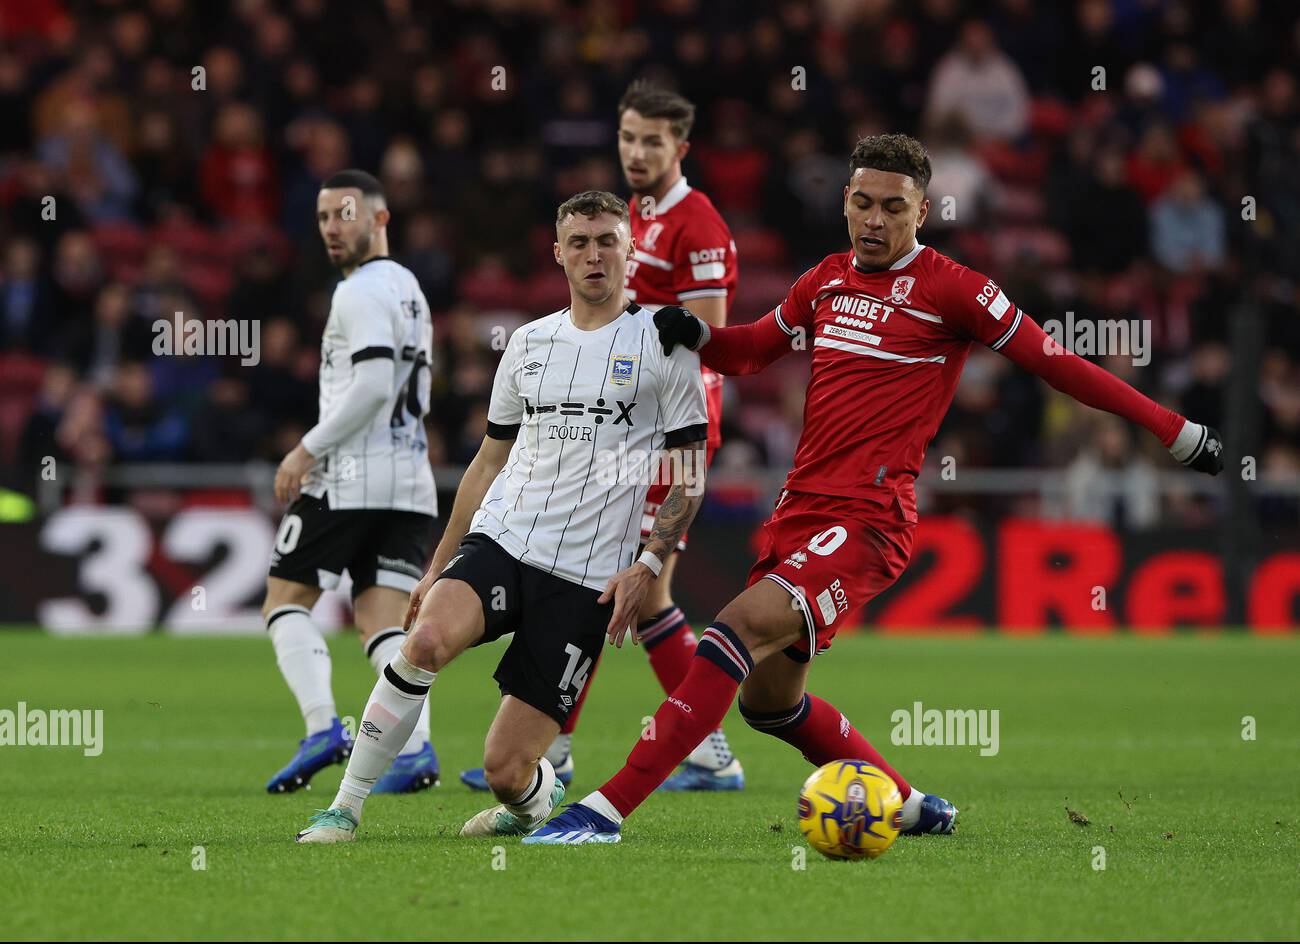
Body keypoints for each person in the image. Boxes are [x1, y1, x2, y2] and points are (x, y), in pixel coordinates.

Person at [524, 133, 1224, 845]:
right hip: (798, 514)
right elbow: (754, 349)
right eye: (862, 202)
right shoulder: (826, 279)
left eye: (894, 207)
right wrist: (695, 334)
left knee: (727, 635)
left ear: (923, 211)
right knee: (770, 705)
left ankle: (601, 813)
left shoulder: (955, 289)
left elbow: (1057, 363)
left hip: (867, 522)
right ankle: (910, 804)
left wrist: (1172, 429)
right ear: (845, 203)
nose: (875, 220)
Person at [296, 190, 710, 843]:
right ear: (558, 254)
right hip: (505, 539)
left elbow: (690, 468)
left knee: (505, 769)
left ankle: (533, 801)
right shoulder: (527, 343)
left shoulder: (666, 343)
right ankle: (344, 807)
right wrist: (436, 567)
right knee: (425, 642)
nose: (593, 254)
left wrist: (651, 562)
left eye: (607, 240)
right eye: (579, 243)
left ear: (630, 250)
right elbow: (489, 462)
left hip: (586, 578)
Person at [459, 81, 744, 794]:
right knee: (610, 584)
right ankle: (580, 749)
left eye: (652, 141)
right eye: (627, 138)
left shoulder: (697, 223)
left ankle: (689, 748)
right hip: (629, 428)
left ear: (680, 147)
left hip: (668, 428)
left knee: (613, 584)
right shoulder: (634, 219)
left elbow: (701, 335)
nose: (636, 152)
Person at [262, 169, 439, 795]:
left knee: (285, 602)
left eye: (345, 214)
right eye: (323, 218)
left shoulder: (358, 292)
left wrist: (306, 450)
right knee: (381, 621)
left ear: (380, 218)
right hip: (409, 481)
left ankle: (320, 728)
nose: (333, 229)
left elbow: (370, 384)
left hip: (352, 475)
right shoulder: (410, 289)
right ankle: (414, 750)